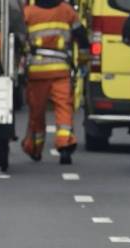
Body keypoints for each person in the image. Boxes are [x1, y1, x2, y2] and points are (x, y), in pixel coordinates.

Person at [21, 0, 89, 165]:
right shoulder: (67, 11)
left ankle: (34, 148)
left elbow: (19, 41)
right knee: (64, 107)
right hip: (61, 70)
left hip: (37, 72)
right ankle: (64, 146)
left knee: (36, 112)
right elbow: (81, 37)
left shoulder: (28, 13)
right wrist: (83, 61)